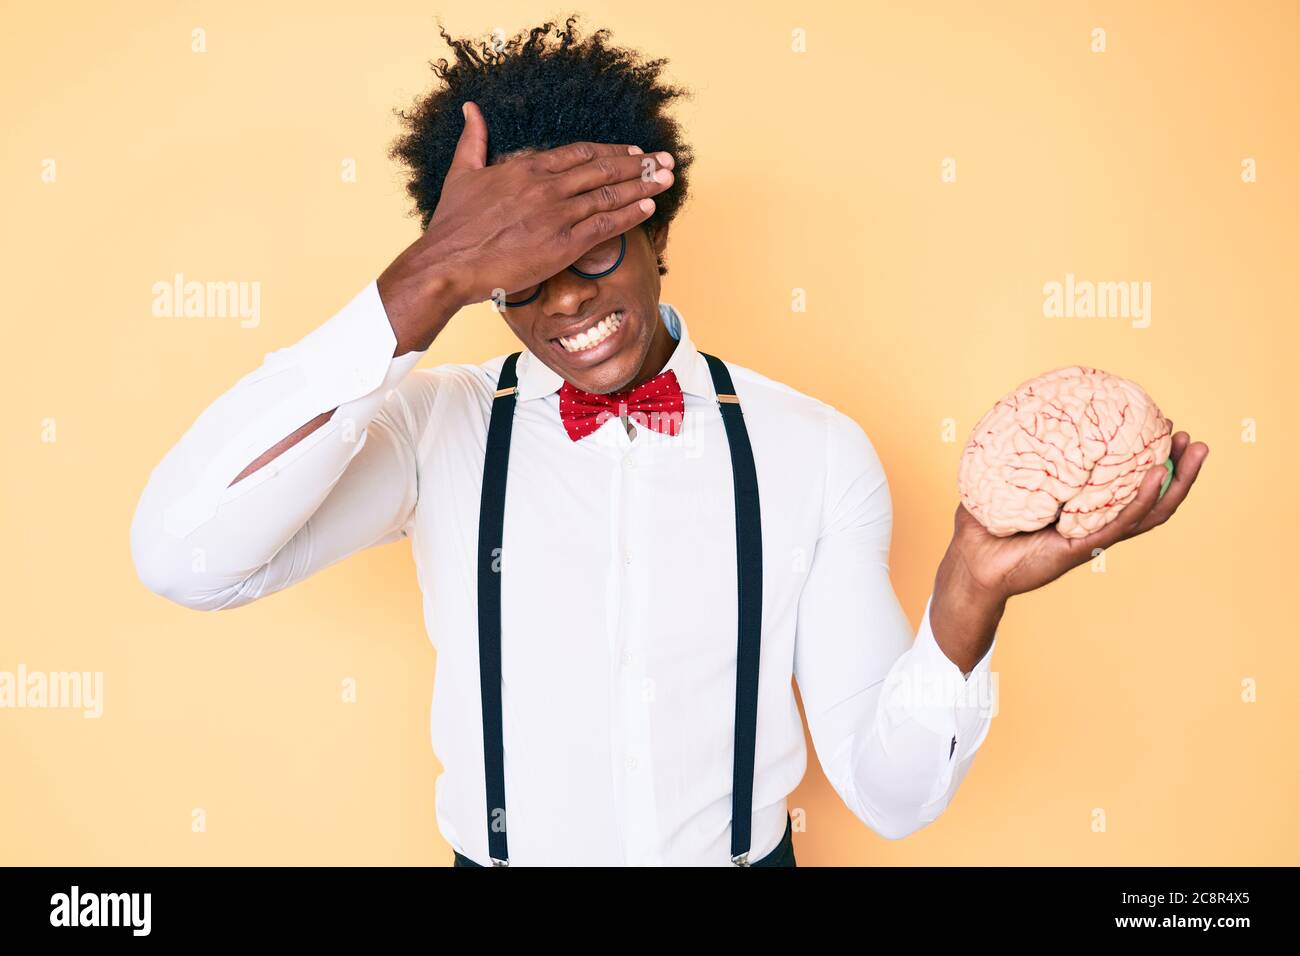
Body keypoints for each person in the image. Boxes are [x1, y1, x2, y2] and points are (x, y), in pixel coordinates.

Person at [129, 16, 1208, 866]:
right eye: (514, 279)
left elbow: (889, 794)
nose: (562, 306)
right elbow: (186, 557)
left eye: (593, 254)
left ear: (655, 227)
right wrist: (421, 282)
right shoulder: (431, 428)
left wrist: (972, 587)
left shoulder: (814, 450)